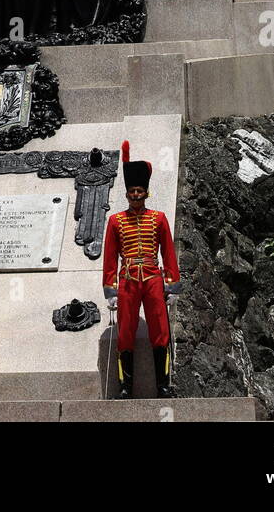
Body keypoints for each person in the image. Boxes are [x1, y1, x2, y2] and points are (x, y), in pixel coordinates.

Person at [102, 140, 181, 398]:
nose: (135, 195)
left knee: (160, 330)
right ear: (127, 194)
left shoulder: (158, 218)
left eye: (139, 191)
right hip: (127, 281)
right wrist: (111, 290)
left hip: (153, 279)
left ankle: (163, 385)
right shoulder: (115, 221)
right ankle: (126, 386)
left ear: (146, 193)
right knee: (125, 332)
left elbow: (168, 252)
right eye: (131, 191)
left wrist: (171, 284)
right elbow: (110, 258)